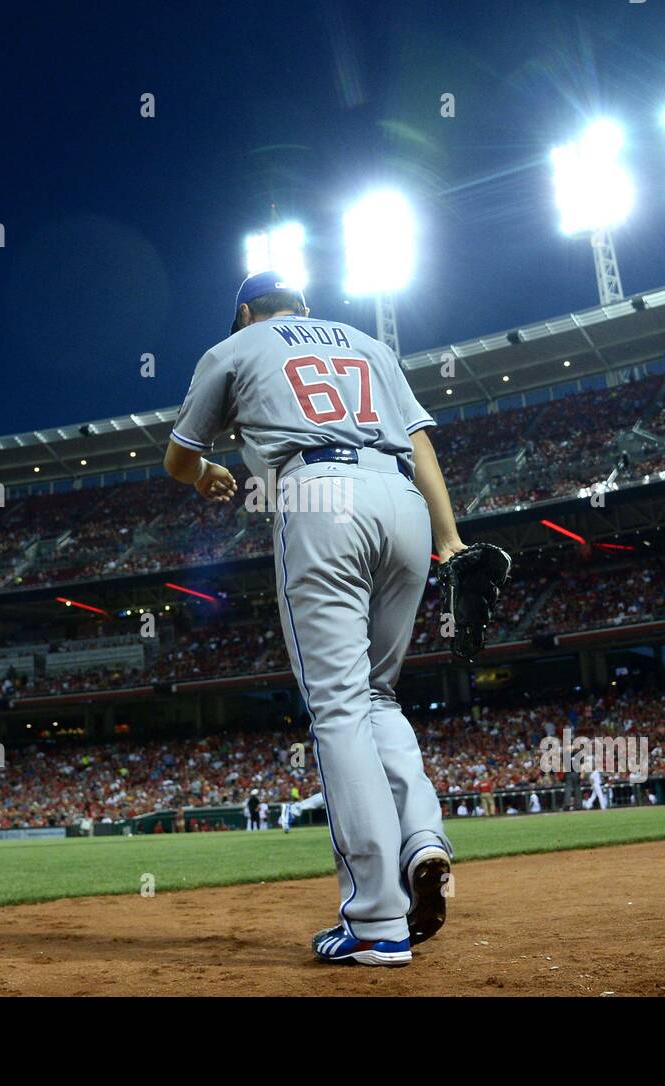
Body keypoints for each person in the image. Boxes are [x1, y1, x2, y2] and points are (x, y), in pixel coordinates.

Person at [166, 272, 457, 967]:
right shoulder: (368, 343)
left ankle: (376, 922)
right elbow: (420, 446)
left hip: (321, 492)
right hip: (406, 504)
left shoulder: (233, 348)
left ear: (245, 311)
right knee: (378, 694)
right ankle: (422, 837)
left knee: (337, 707)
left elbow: (180, 456)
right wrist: (452, 540)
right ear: (305, 307)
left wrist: (204, 476)